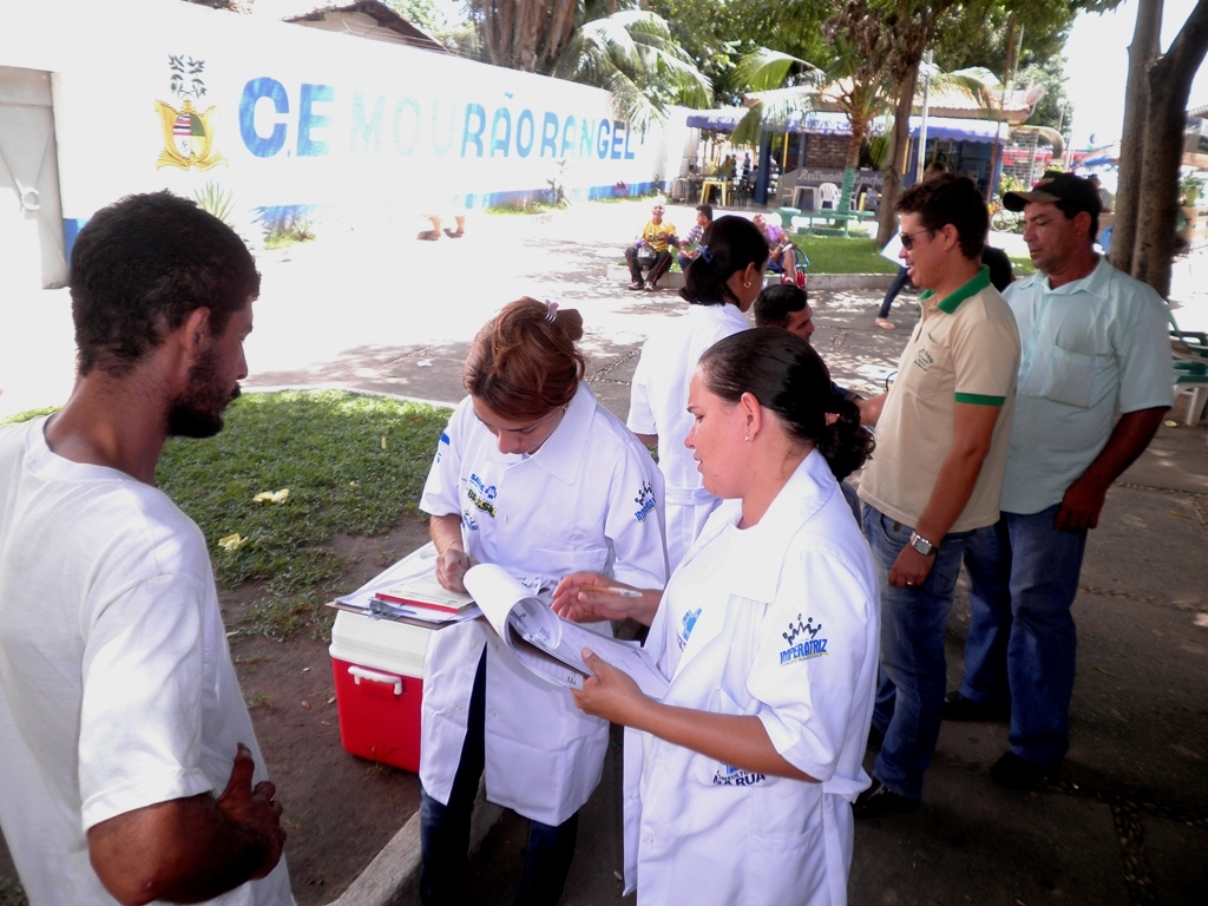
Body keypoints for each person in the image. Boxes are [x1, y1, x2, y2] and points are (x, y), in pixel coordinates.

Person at [0, 192, 290, 904]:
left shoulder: (9, 463)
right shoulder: (147, 548)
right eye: (238, 337)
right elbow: (141, 860)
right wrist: (256, 843)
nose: (243, 368)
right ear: (194, 333)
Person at [552, 328, 879, 906]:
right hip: (702, 825)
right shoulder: (740, 508)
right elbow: (733, 617)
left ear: (749, 416)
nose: (687, 438)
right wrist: (629, 602)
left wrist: (642, 712)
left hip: (751, 856)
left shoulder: (816, 559)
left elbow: (803, 745)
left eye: (699, 416)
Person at [417, 298, 669, 906]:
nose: (501, 445)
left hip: (557, 663)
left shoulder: (616, 461)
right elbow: (444, 508)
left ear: (565, 400)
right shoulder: (473, 417)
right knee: (442, 794)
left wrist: (608, 600)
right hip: (469, 645)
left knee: (550, 816)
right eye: (490, 427)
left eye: (521, 432)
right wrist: (451, 549)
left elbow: (654, 596)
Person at [945, 171, 1172, 789]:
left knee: (1039, 614)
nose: (1029, 234)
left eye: (1041, 221)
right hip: (992, 486)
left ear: (1083, 223)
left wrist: (1094, 483)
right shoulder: (1018, 298)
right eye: (1024, 223)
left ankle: (1037, 744)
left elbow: (1147, 404)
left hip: (1056, 495)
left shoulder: (1131, 304)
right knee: (992, 599)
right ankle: (982, 691)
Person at [854, 172, 1021, 818]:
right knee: (892, 653)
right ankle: (879, 733)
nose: (904, 253)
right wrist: (847, 411)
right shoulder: (939, 306)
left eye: (911, 239)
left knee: (916, 664)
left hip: (918, 526)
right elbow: (905, 408)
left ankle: (899, 780)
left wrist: (925, 541)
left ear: (949, 237)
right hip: (886, 508)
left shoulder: (982, 323)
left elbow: (970, 449)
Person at [627, 215, 769, 570]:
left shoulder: (661, 338)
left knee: (666, 612)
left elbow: (642, 433)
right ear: (748, 272)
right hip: (730, 512)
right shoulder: (746, 344)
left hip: (666, 512)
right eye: (763, 274)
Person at [875, 162, 948, 329]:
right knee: (901, 282)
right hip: (919, 254)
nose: (902, 253)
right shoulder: (924, 201)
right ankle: (883, 314)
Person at [624, 201, 677, 291]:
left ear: (664, 211)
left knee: (666, 253)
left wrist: (668, 237)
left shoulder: (669, 225)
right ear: (651, 210)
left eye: (660, 208)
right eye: (655, 208)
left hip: (660, 259)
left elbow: (676, 243)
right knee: (630, 250)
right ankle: (637, 281)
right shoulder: (645, 224)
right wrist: (643, 243)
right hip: (645, 256)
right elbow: (636, 241)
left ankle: (650, 282)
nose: (657, 210)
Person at [753, 212, 799, 286]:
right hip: (770, 258)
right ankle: (756, 284)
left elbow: (784, 239)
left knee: (789, 252)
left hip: (785, 254)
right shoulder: (755, 234)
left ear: (765, 219)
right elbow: (760, 247)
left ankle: (790, 280)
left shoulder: (774, 227)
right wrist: (772, 253)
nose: (758, 217)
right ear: (754, 223)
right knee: (757, 258)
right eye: (756, 217)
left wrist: (778, 249)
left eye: (760, 216)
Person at [675, 202, 713, 273]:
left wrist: (698, 254)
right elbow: (687, 240)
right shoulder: (697, 227)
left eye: (698, 217)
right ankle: (690, 280)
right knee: (680, 256)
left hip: (709, 260)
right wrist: (682, 247)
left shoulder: (715, 230)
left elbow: (713, 251)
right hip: (697, 258)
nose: (696, 219)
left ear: (705, 219)